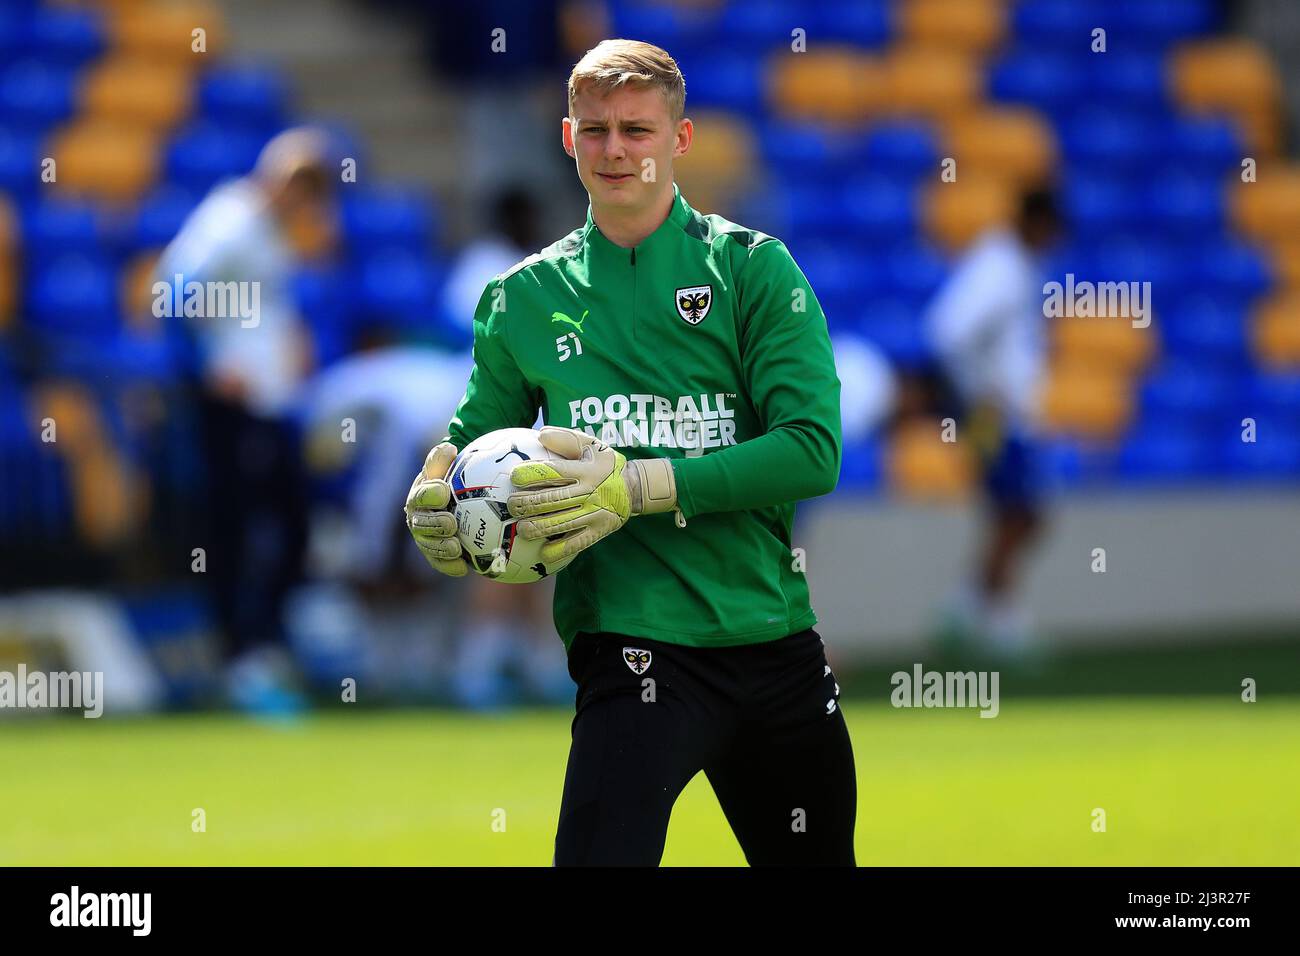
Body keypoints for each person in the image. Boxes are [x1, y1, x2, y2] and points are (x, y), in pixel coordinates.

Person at [403, 39, 855, 866]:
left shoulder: (755, 272)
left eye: (638, 131)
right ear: (567, 138)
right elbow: (471, 447)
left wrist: (640, 484)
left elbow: (811, 452)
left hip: (771, 643)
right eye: (597, 129)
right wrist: (435, 494)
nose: (616, 150)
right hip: (632, 655)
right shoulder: (522, 298)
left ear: (678, 142)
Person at [157, 127, 336, 714]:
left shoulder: (270, 233)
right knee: (239, 530)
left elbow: (260, 306)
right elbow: (174, 292)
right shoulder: (230, 220)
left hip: (272, 402)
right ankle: (243, 655)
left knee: (291, 525)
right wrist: (207, 366)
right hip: (233, 406)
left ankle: (264, 648)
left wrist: (292, 342)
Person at [923, 187, 1062, 658]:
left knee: (1018, 513)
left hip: (1006, 416)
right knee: (1018, 512)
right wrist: (980, 394)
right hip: (992, 416)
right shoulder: (999, 268)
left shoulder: (1013, 263)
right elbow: (947, 330)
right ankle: (993, 615)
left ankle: (971, 606)